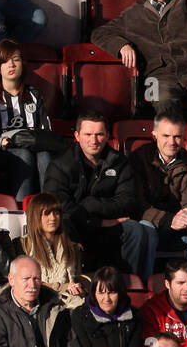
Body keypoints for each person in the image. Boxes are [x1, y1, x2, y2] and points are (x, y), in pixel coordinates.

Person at [46, 112, 156, 281]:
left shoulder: (120, 162)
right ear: (77, 136)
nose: (94, 140)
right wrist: (97, 221)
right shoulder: (60, 164)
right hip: (76, 227)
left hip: (109, 227)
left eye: (99, 134)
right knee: (63, 223)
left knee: (135, 229)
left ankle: (127, 283)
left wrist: (91, 205)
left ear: (107, 136)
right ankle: (71, 282)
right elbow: (58, 205)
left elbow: (127, 201)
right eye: (88, 134)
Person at [93, 0, 187, 121]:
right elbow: (99, 33)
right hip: (157, 75)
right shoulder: (133, 13)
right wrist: (121, 45)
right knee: (163, 104)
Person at [131, 108, 187, 273]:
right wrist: (168, 220)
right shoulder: (139, 158)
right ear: (154, 135)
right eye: (166, 136)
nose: (172, 142)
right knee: (144, 228)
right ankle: (143, 286)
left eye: (177, 136)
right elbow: (138, 204)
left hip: (180, 227)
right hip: (153, 224)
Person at [0, 39, 61, 198]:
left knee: (45, 155)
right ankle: (21, 209)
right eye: (5, 61)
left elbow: (46, 131)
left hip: (34, 146)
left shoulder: (34, 95)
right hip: (5, 152)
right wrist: (1, 141)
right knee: (23, 155)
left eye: (16, 59)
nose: (11, 65)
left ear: (22, 64)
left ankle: (49, 205)